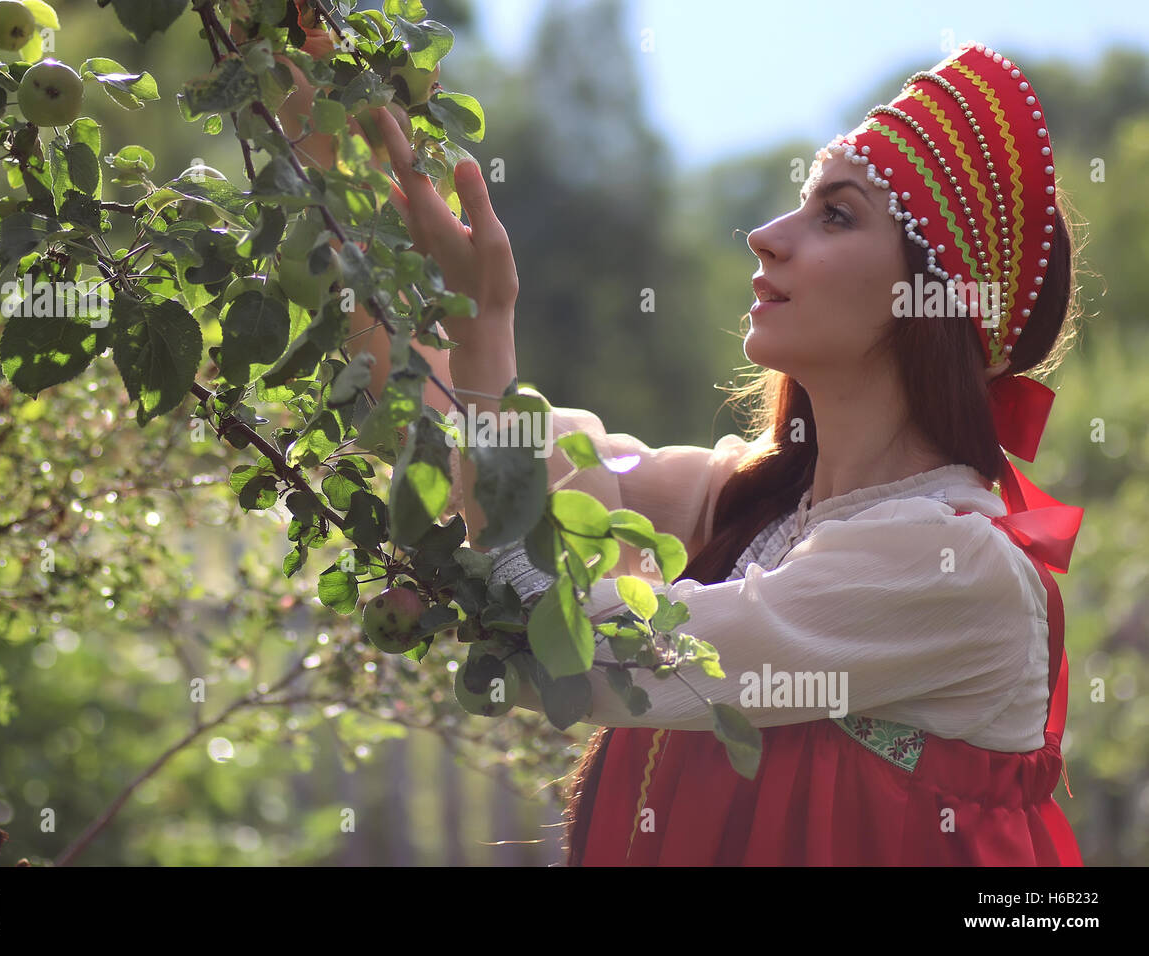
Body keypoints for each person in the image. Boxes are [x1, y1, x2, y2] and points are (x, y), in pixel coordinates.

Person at [310, 42, 1085, 865]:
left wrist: (488, 329)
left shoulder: (954, 567)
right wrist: (324, 173)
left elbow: (585, 653)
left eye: (837, 215)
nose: (764, 236)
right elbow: (477, 432)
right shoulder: (758, 507)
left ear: (929, 300)